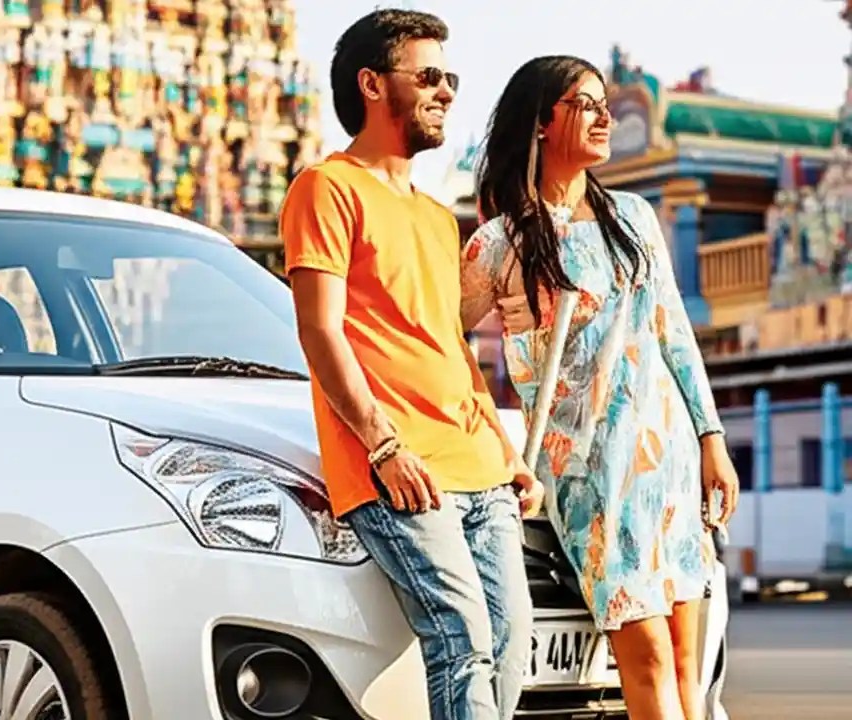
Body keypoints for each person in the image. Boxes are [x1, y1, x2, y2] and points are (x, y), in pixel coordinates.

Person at [278, 9, 545, 720]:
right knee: (461, 639)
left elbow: (448, 346)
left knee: (511, 638)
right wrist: (383, 445)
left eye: (449, 77)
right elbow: (321, 333)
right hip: (400, 469)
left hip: (477, 465)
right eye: (428, 76)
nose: (447, 91)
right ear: (372, 84)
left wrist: (502, 447)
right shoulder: (327, 189)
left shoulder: (434, 217)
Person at [460, 55, 741, 720]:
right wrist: (483, 422)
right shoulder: (500, 242)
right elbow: (443, 339)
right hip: (587, 472)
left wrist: (711, 438)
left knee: (685, 663)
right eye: (584, 103)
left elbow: (674, 333)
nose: (603, 116)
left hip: (666, 462)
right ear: (540, 123)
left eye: (602, 103)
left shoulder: (636, 219)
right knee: (644, 659)